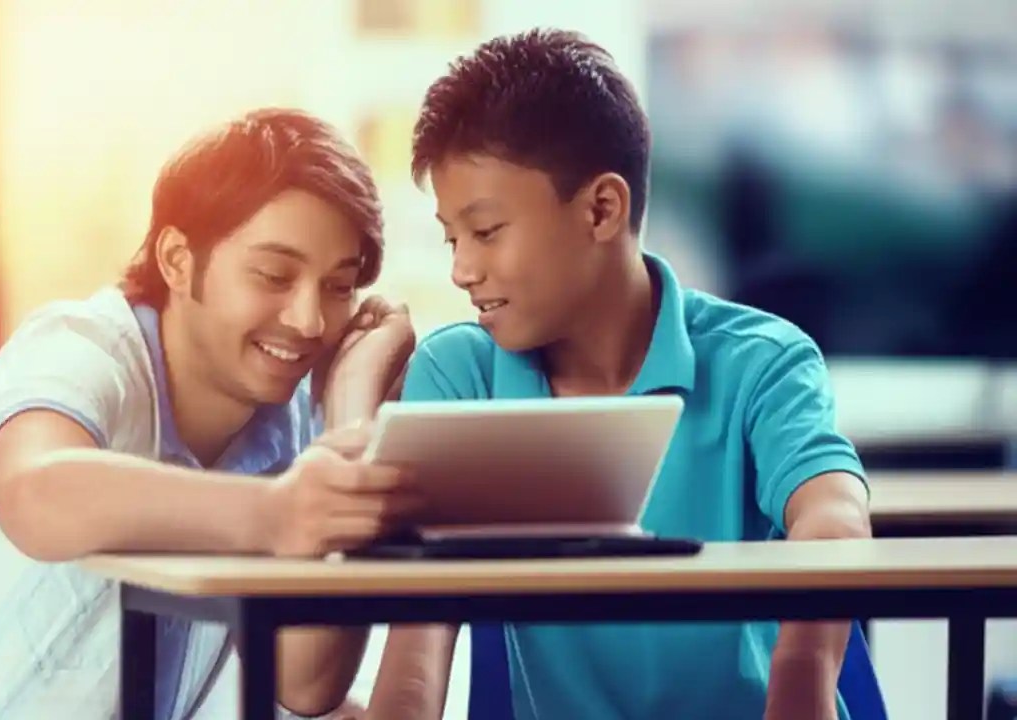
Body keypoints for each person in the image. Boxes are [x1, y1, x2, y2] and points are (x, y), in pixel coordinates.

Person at [0, 108, 419, 720]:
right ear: (178, 261)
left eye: (339, 287)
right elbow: (37, 494)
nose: (310, 320)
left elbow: (306, 683)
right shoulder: (82, 348)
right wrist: (278, 514)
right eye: (273, 275)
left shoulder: (289, 434)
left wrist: (352, 414)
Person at [364, 29, 872, 720]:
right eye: (453, 238)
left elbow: (834, 515)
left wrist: (802, 668)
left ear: (602, 209)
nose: (462, 270)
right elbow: (419, 634)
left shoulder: (763, 359)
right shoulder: (459, 375)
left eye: (486, 232)